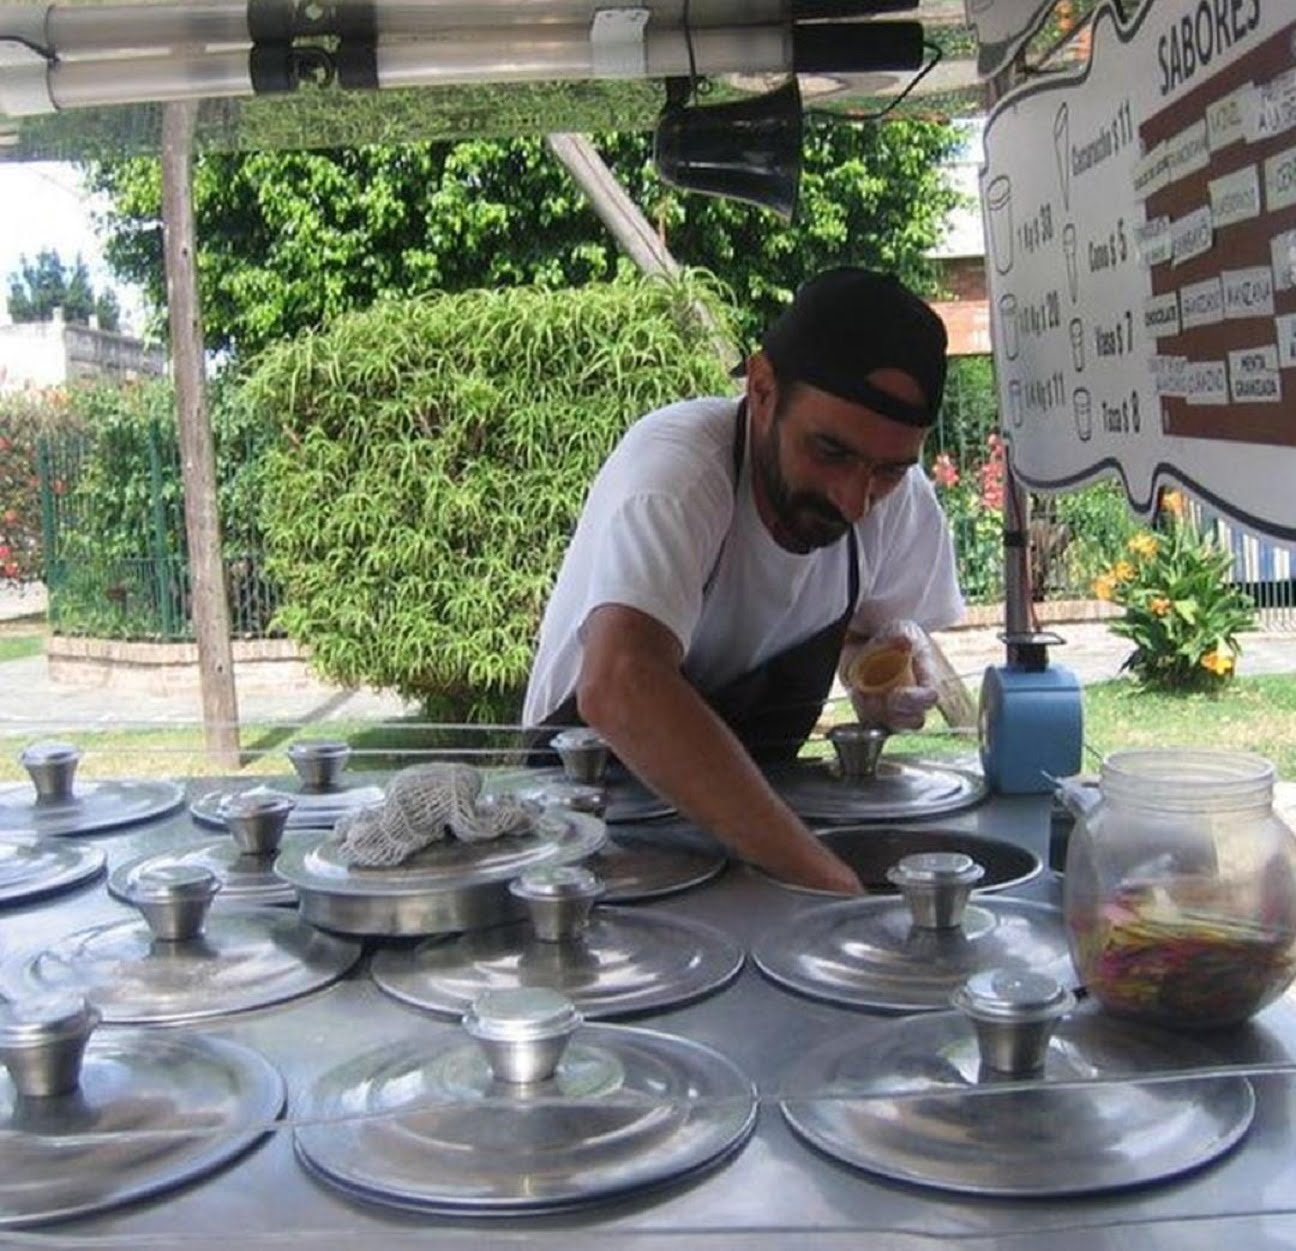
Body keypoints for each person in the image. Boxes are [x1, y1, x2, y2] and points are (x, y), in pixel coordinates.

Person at [523, 267, 964, 892]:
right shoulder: (676, 473)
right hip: (594, 839)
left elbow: (861, 639)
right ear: (761, 389)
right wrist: (832, 884)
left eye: (888, 469)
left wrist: (879, 670)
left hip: (757, 834)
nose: (856, 500)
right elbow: (622, 683)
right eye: (830, 452)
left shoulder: (898, 501)